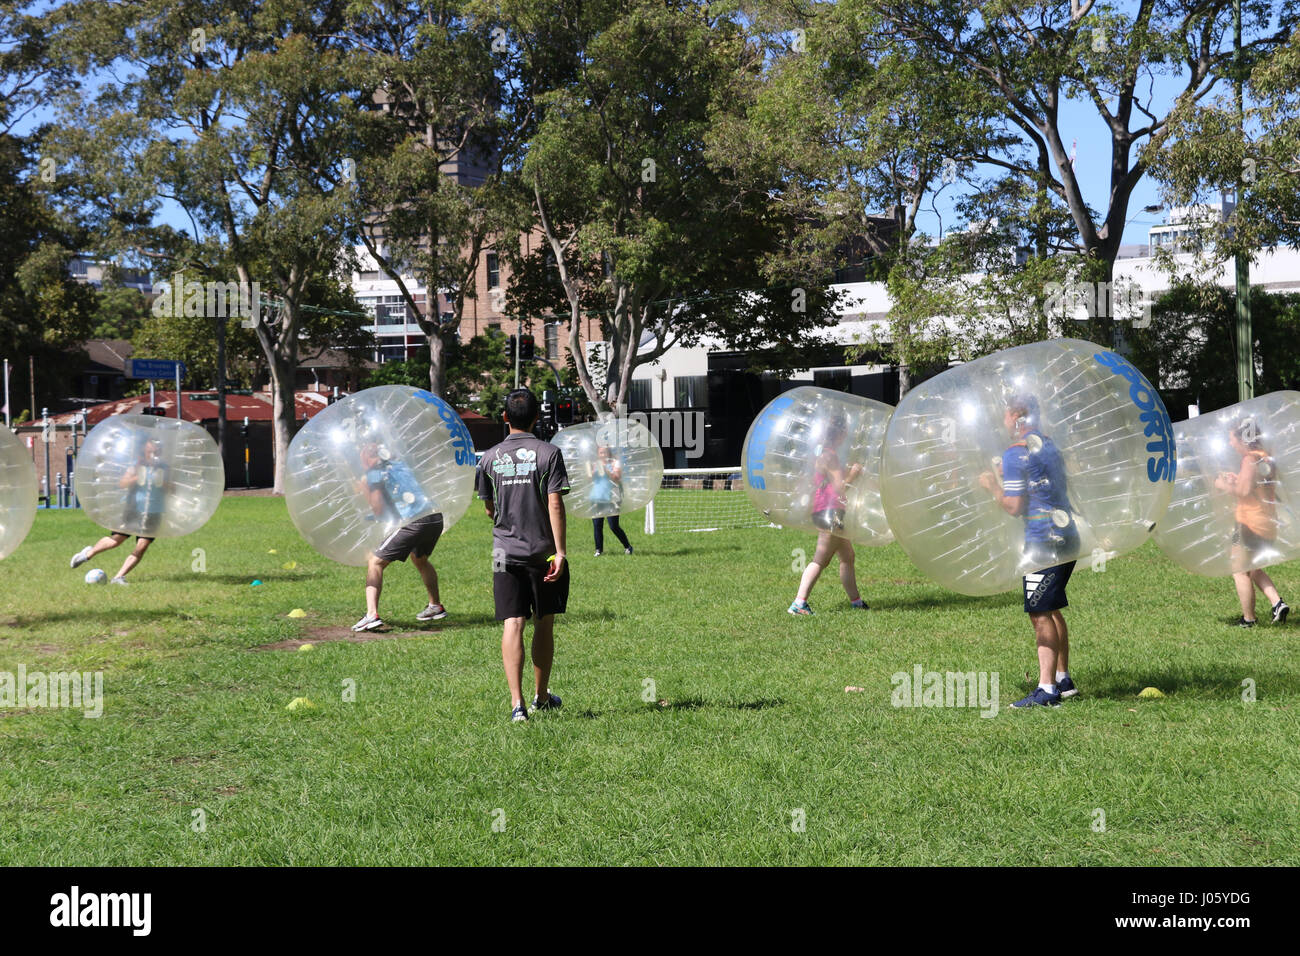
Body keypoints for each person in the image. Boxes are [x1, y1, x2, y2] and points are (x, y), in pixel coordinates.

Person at [979, 393, 1080, 708]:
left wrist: (991, 486)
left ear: (1016, 416)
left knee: (1039, 613)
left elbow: (1013, 506)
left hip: (1041, 543)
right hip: (1067, 536)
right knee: (1051, 608)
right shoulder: (1049, 445)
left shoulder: (1014, 453)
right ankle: (1063, 678)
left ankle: (1047, 690)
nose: (1003, 422)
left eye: (1006, 415)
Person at [476, 389, 570, 723]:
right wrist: (560, 553)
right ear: (536, 418)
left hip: (503, 552)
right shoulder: (549, 453)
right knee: (544, 621)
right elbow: (555, 503)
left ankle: (518, 706)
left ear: (504, 418)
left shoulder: (488, 458)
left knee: (513, 622)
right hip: (542, 553)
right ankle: (541, 697)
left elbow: (489, 508)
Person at [351, 441, 447, 632]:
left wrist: (364, 488)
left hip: (416, 521)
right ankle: (435, 605)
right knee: (419, 559)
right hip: (435, 517)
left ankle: (371, 615)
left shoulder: (375, 473)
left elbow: (378, 509)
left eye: (363, 456)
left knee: (375, 562)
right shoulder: (400, 464)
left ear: (369, 457)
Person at [788, 413, 869, 615]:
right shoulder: (830, 456)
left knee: (848, 556)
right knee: (820, 559)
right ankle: (798, 603)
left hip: (828, 510)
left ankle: (856, 602)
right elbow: (840, 487)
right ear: (840, 434)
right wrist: (855, 472)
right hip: (830, 512)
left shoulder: (823, 453)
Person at [1215, 418, 1289, 627]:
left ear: (1243, 439)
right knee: (1254, 568)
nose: (1231, 444)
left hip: (1249, 523)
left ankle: (1249, 619)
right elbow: (1256, 486)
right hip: (1267, 522)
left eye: (1232, 439)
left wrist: (1223, 485)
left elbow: (1244, 491)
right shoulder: (1264, 458)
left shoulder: (1249, 460)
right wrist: (1237, 478)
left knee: (1239, 570)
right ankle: (1277, 603)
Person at [70, 437, 169, 584]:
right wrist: (136, 478)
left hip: (154, 511)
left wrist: (162, 482)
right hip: (134, 509)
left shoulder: (164, 468)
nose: (154, 450)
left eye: (156, 448)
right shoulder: (137, 465)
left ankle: (118, 577)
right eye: (151, 447)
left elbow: (172, 489)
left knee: (142, 546)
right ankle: (87, 554)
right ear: (145, 449)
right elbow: (122, 484)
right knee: (116, 540)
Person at [590, 443, 633, 556]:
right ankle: (598, 550)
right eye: (600, 453)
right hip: (597, 497)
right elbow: (590, 480)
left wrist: (606, 470)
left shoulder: (615, 463)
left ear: (609, 453)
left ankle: (628, 546)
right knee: (597, 525)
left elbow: (617, 478)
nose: (603, 455)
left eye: (604, 452)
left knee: (613, 526)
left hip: (612, 498)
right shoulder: (595, 464)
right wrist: (592, 472)